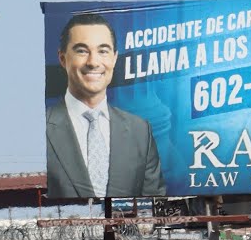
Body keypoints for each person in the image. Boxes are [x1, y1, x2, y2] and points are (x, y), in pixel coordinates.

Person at [46, 13, 165, 198]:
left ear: (115, 58)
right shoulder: (42, 129)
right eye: (81, 50)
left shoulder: (140, 131)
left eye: (103, 51)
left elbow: (153, 199)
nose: (93, 62)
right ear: (63, 58)